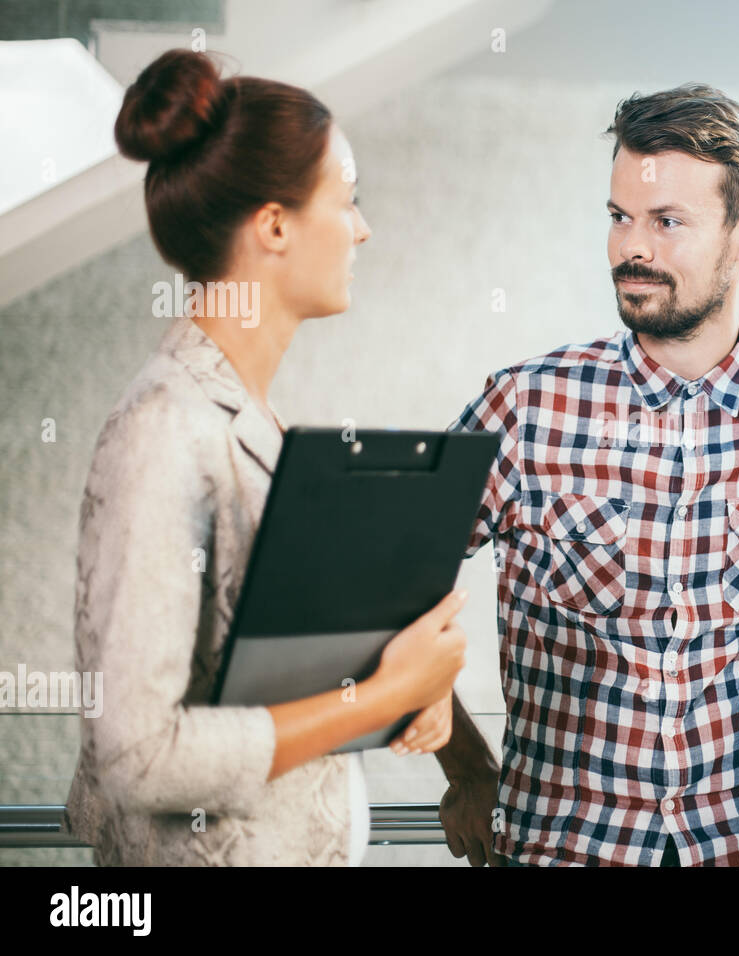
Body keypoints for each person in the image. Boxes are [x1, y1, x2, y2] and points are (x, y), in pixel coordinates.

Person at [434, 83, 739, 866]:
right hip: (565, 843)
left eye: (667, 223)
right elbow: (392, 586)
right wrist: (465, 767)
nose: (633, 248)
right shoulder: (524, 404)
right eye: (620, 216)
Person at [65, 49, 467, 866]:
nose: (362, 227)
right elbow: (138, 756)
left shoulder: (254, 419)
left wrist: (410, 695)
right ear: (276, 226)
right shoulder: (164, 429)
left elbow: (266, 678)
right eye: (347, 203)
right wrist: (381, 696)